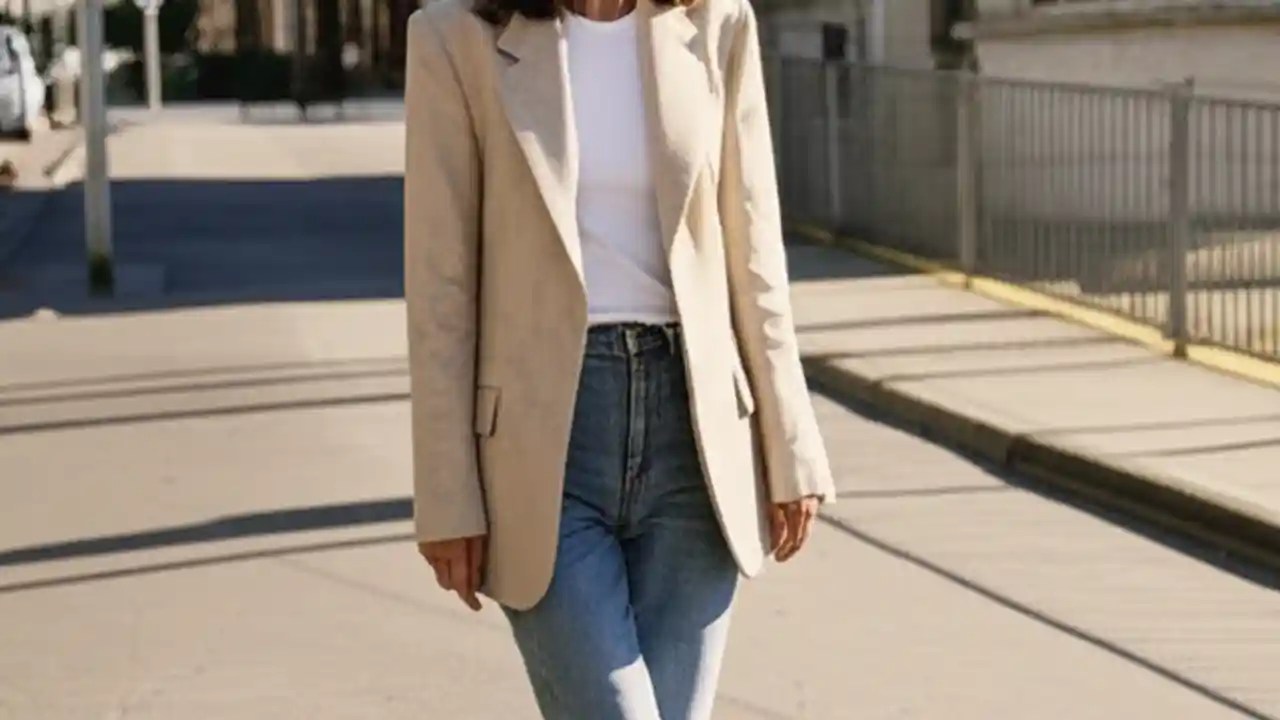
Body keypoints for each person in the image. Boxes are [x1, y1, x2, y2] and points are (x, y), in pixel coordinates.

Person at [403, 0, 835, 715]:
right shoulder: (454, 36)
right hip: (543, 446)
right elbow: (439, 287)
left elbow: (753, 248)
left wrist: (790, 445)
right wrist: (447, 492)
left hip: (695, 438)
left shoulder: (719, 23)